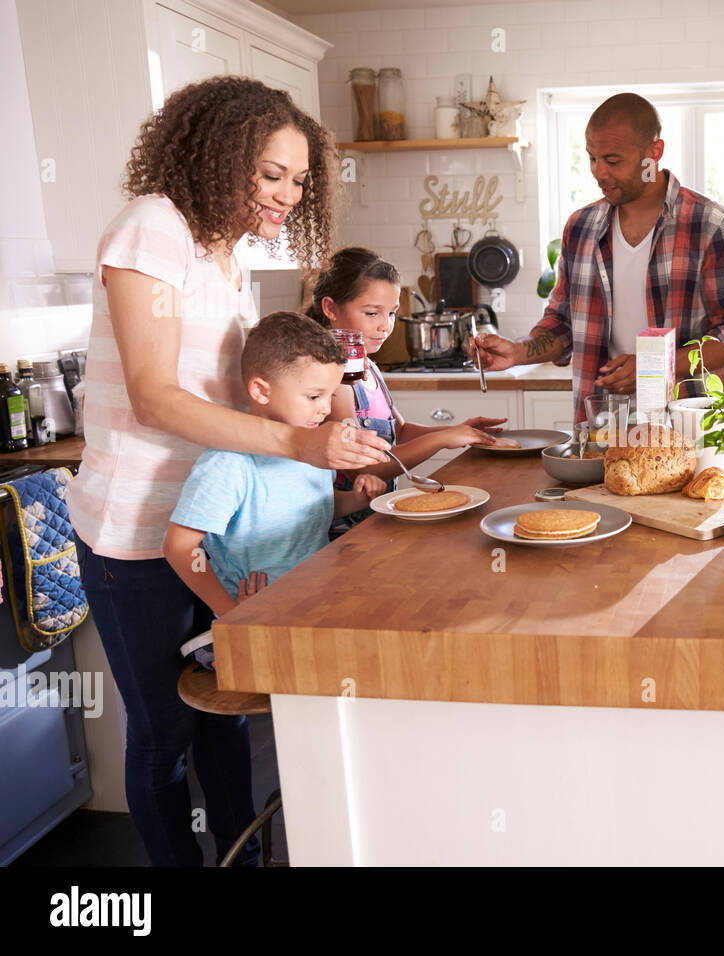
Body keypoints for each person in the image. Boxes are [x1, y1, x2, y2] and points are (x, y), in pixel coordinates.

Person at [68, 76, 390, 867]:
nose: (287, 195)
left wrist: (332, 422)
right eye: (271, 174)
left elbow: (249, 390)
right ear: (217, 156)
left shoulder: (225, 255)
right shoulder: (152, 230)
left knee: (226, 713)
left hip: (214, 522)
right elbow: (152, 397)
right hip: (136, 535)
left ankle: (244, 859)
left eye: (299, 181)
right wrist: (297, 446)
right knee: (164, 734)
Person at [472, 92, 724, 424]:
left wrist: (657, 365)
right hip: (604, 427)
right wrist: (518, 351)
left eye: (613, 161)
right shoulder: (581, 227)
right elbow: (563, 323)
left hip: (690, 427)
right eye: (592, 158)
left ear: (654, 153)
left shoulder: (711, 224)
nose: (599, 173)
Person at [162, 313, 385, 621]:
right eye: (313, 396)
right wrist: (230, 611)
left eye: (330, 395)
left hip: (317, 602)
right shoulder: (228, 465)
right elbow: (179, 547)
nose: (326, 408)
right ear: (261, 391)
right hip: (259, 619)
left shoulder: (313, 449)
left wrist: (356, 499)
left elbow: (312, 508)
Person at [305, 247, 508, 533]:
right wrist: (442, 439)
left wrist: (454, 430)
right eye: (372, 313)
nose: (385, 326)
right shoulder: (335, 382)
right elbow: (365, 471)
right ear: (330, 308)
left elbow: (398, 431)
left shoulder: (369, 367)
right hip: (343, 530)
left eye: (391, 313)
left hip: (374, 517)